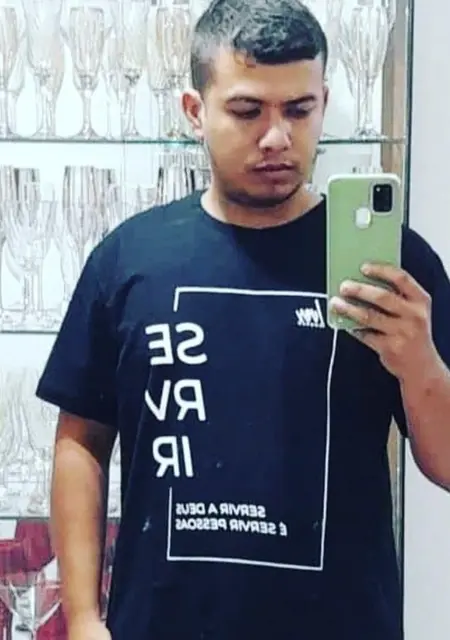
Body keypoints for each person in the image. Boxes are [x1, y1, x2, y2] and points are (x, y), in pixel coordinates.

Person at [36, 0, 450, 638]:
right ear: (195, 111)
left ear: (324, 103)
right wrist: (84, 618)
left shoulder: (395, 266)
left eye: (299, 110)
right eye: (248, 110)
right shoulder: (129, 258)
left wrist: (419, 363)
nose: (277, 137)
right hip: (162, 623)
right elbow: (82, 441)